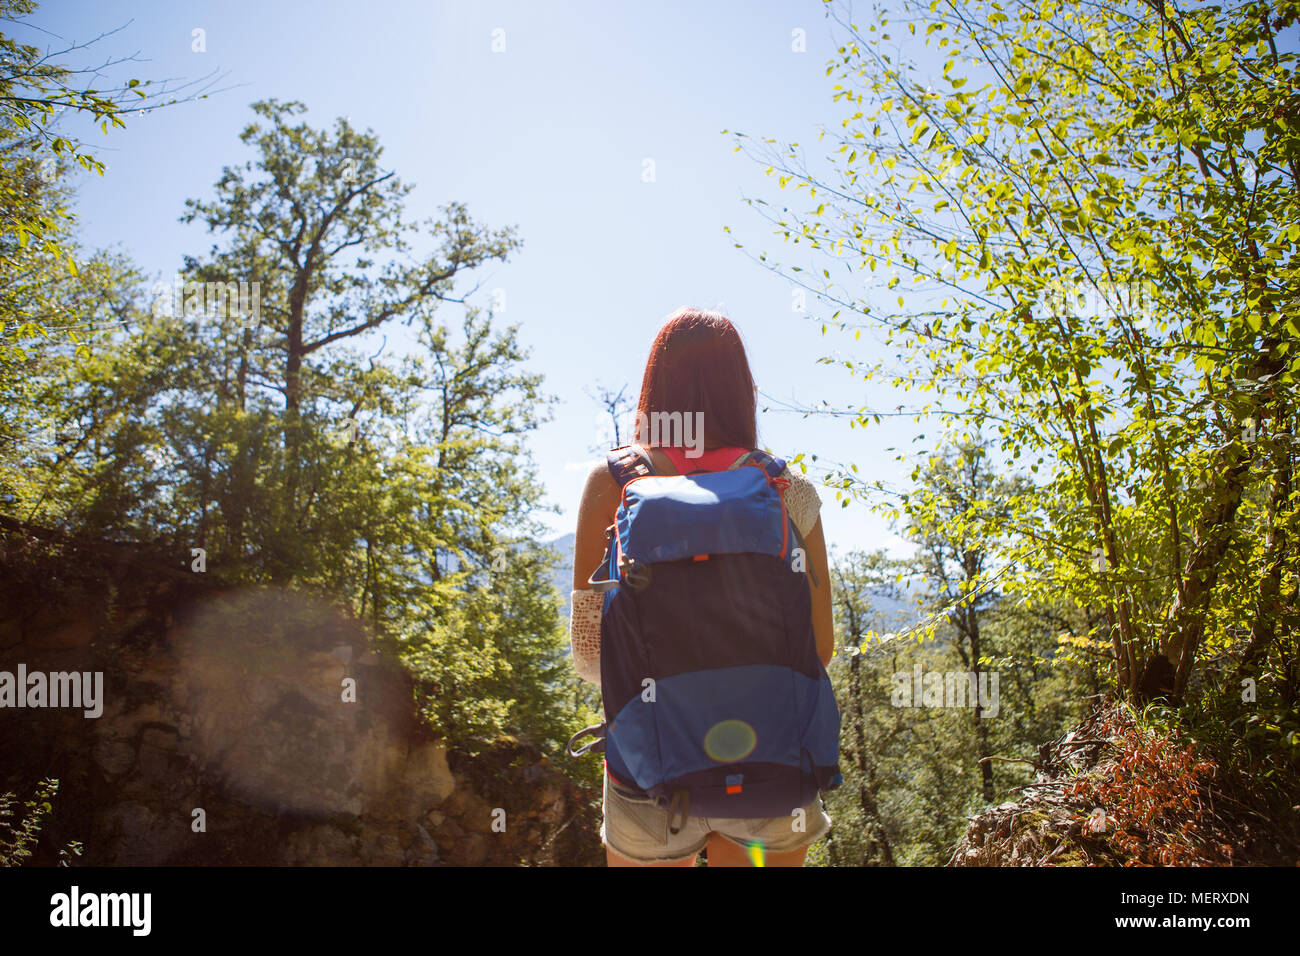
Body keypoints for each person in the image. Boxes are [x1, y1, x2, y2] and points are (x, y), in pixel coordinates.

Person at [569, 306, 835, 867]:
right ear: (743, 390)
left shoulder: (612, 485)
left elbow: (590, 656)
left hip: (648, 771)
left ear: (655, 384)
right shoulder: (790, 491)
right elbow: (821, 648)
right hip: (772, 769)